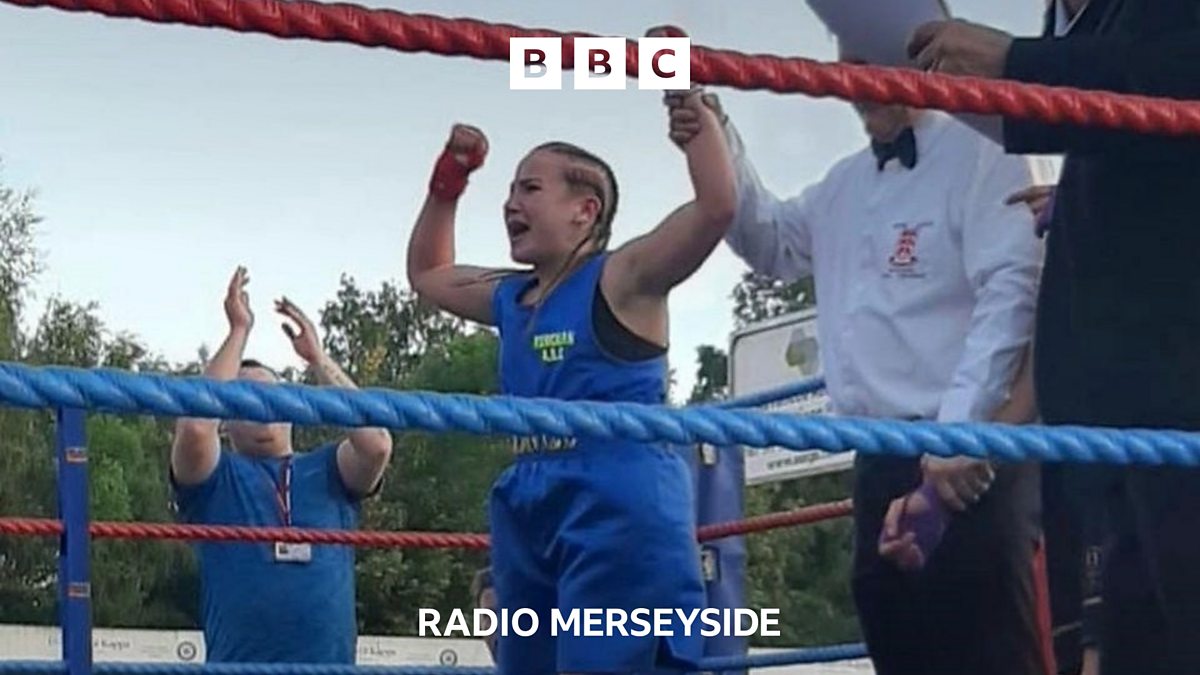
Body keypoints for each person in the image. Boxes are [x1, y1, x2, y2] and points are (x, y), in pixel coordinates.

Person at [666, 39, 1050, 674]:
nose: (861, 84)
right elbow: (769, 241)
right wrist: (714, 127)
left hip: (973, 451)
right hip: (877, 457)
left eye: (876, 65)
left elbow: (1010, 296)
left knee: (991, 652)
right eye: (853, 67)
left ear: (923, 62)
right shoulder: (843, 184)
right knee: (897, 646)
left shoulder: (988, 150)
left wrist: (958, 435)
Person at [404, 63, 735, 673]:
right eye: (509, 190)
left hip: (620, 495)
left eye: (530, 188)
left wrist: (690, 106)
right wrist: (448, 182)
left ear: (585, 210)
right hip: (529, 497)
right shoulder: (511, 296)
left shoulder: (625, 277)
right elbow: (428, 275)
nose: (510, 202)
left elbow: (716, 208)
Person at [909, 3, 1200, 674]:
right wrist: (1073, 201)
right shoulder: (1080, 18)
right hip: (1106, 430)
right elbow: (1148, 145)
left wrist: (1016, 66)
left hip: (1175, 407)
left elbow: (1178, 72)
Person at [170, 266, 394, 663]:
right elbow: (193, 425)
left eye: (272, 397)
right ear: (226, 419)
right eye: (244, 399)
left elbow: (376, 444)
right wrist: (239, 330)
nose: (261, 409)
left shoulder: (329, 468)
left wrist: (318, 359)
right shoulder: (215, 479)